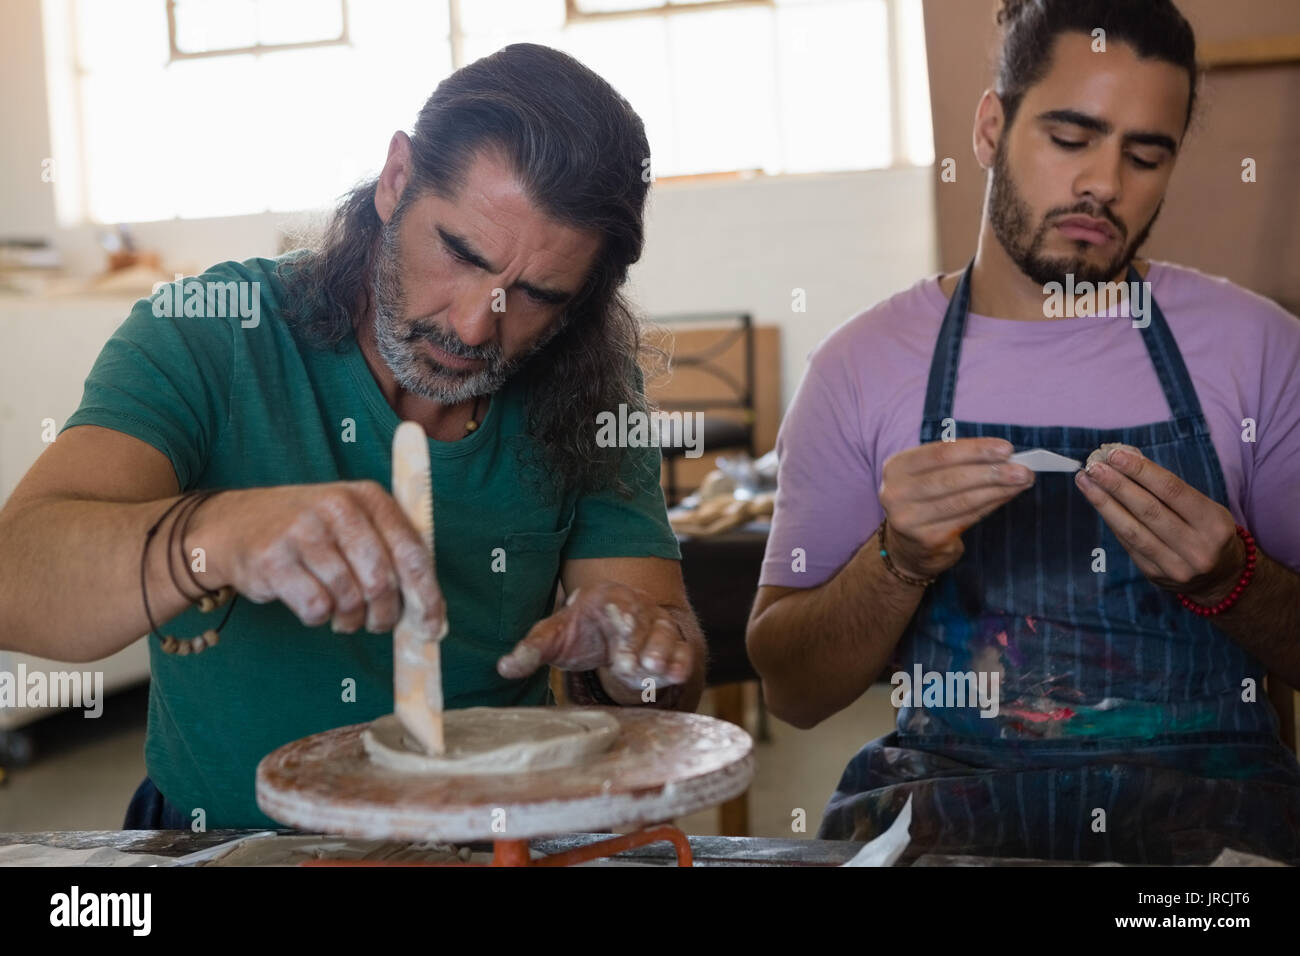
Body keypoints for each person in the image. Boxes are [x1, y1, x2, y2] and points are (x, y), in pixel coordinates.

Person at [0, 44, 705, 829]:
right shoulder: (214, 333)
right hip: (224, 843)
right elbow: (13, 580)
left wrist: (634, 663)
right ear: (397, 179)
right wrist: (217, 534)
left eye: (536, 295)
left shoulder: (588, 392)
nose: (474, 325)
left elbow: (661, 680)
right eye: (460, 252)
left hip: (487, 843)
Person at [747, 0, 1300, 863]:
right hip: (944, 813)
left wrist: (1233, 578)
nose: (1105, 185)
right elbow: (791, 689)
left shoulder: (1258, 348)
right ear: (991, 126)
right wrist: (897, 561)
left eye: (1145, 154)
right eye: (1071, 139)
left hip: (1210, 821)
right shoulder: (861, 364)